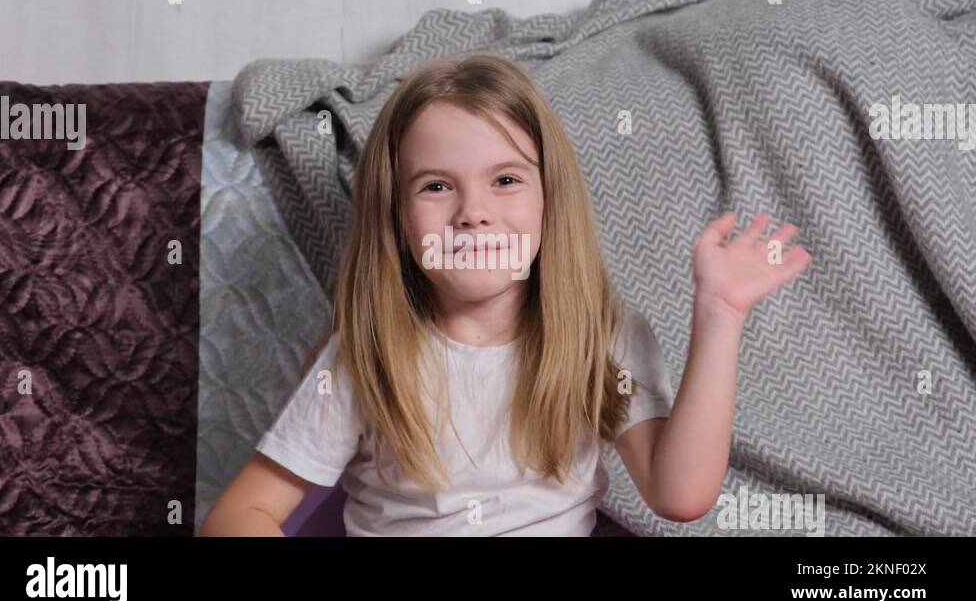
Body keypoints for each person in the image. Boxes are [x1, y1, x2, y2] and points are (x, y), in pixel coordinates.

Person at [200, 54, 811, 537]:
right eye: (436, 186)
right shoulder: (367, 357)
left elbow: (680, 495)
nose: (474, 213)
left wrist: (721, 314)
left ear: (550, 199)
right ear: (396, 218)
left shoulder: (602, 338)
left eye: (506, 180)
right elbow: (239, 515)